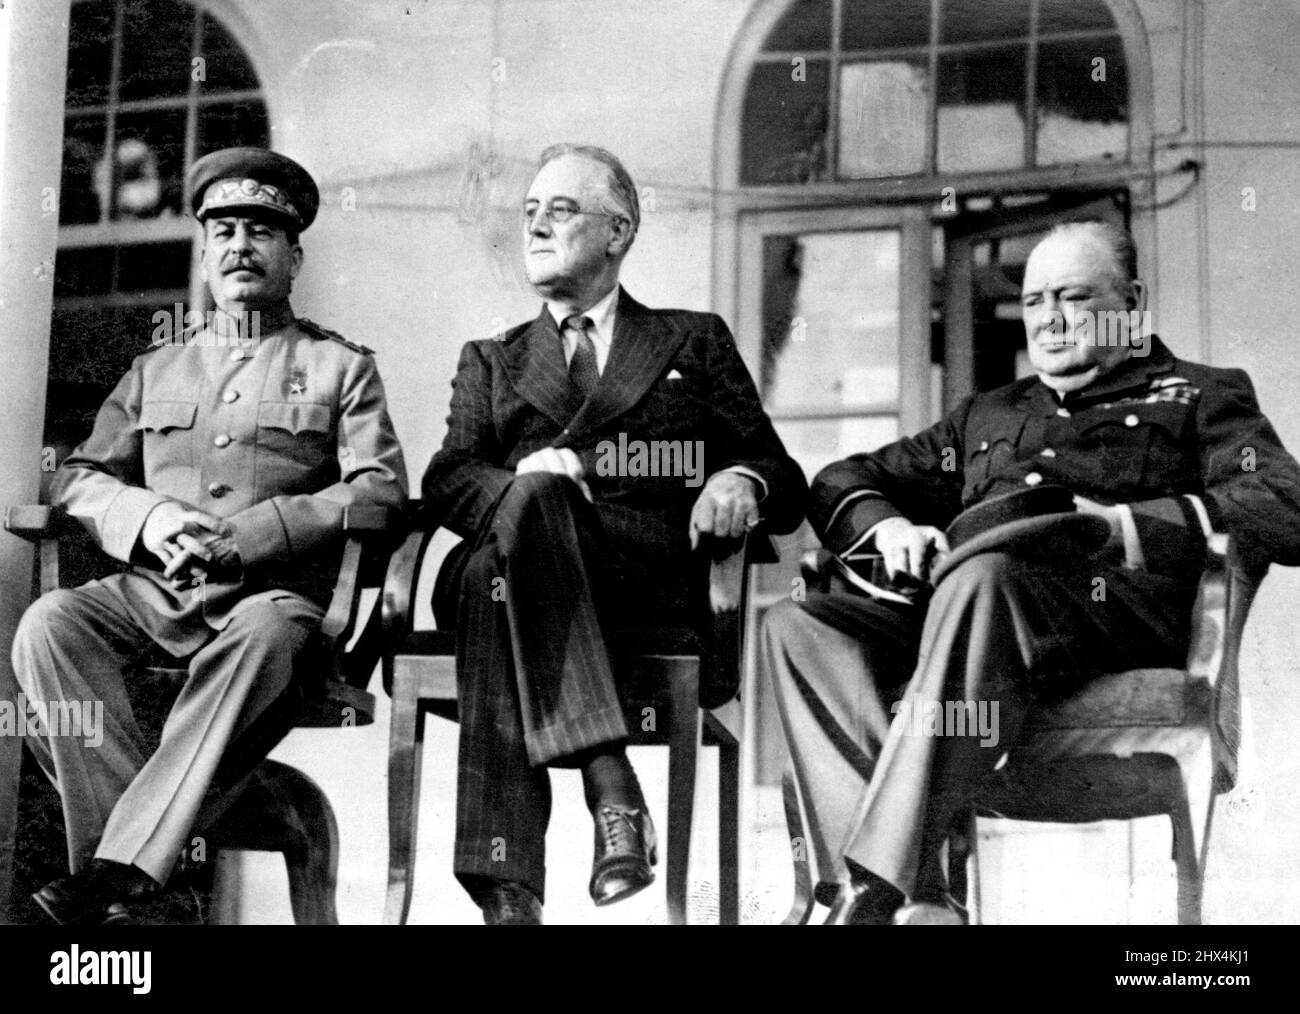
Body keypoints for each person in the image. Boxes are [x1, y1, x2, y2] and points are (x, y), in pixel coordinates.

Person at [762, 220, 1300, 924]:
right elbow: (845, 477)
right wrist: (889, 527)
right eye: (1035, 299)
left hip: (1109, 617)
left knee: (981, 578)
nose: (1048, 318)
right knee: (799, 624)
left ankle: (876, 894)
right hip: (973, 630)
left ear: (1130, 301)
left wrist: (1126, 525)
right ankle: (917, 898)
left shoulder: (1200, 394)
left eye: (1073, 297)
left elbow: (1282, 504)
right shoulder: (989, 412)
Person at [12, 147, 408, 925]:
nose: (239, 246)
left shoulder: (339, 368)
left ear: (294, 256)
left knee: (262, 633)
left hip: (270, 606)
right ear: (204, 249)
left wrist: (255, 536)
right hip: (155, 594)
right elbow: (80, 476)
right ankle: (140, 887)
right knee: (48, 623)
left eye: (261, 231)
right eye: (222, 229)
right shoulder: (158, 368)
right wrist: (150, 519)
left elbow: (379, 489)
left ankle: (115, 874)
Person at [423, 143, 806, 925]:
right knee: (523, 514)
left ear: (619, 230)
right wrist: (532, 481)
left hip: (639, 585)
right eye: (528, 213)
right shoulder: (492, 359)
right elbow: (449, 480)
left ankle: (507, 891)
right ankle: (612, 786)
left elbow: (781, 473)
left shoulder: (690, 340)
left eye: (559, 210)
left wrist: (742, 479)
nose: (534, 228)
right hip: (509, 570)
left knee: (495, 579)